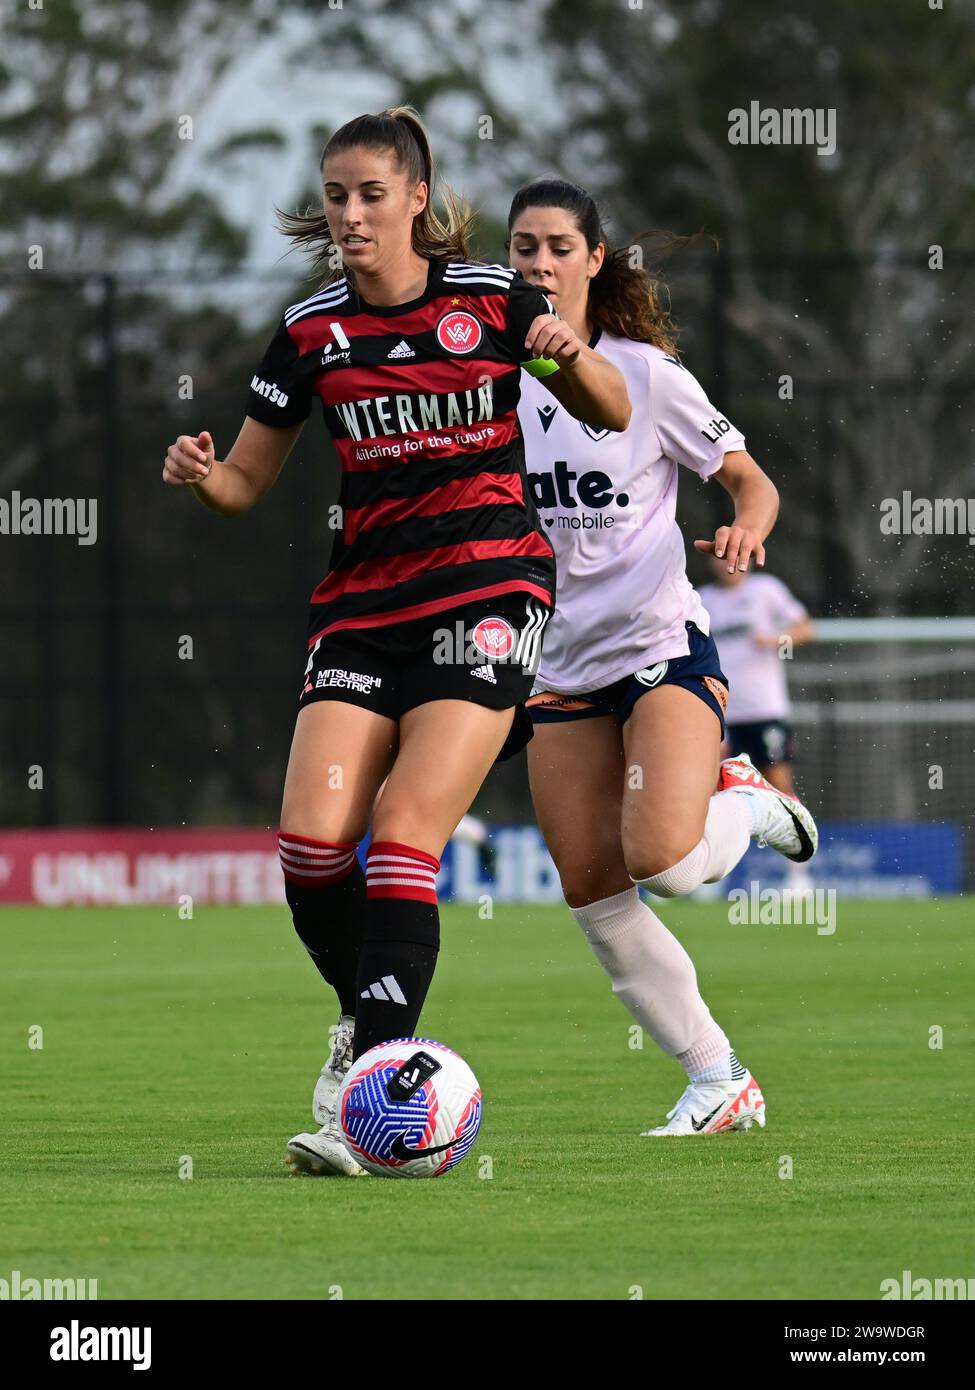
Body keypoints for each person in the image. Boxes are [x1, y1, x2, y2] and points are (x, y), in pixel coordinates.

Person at [161, 113, 630, 1176]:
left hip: (491, 591)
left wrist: (567, 349)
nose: (350, 213)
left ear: (418, 197)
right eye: (335, 194)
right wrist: (203, 473)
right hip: (365, 609)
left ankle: (370, 1094)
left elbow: (604, 412)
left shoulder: (491, 303)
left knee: (404, 827)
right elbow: (245, 483)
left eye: (371, 192)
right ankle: (363, 1021)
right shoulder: (312, 333)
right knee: (312, 844)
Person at [510, 178, 818, 1135]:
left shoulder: (647, 375)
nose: (540, 265)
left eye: (560, 246)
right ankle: (717, 1077)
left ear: (594, 260)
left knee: (668, 863)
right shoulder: (485, 378)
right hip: (559, 665)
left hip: (658, 646)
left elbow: (748, 482)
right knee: (591, 888)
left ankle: (750, 801)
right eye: (523, 248)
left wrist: (743, 531)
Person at [698, 558, 814, 812]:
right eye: (721, 557)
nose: (728, 563)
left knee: (778, 784)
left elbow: (806, 630)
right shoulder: (701, 599)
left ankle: (792, 846)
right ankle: (725, 848)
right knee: (713, 786)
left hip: (764, 708)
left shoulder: (765, 589)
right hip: (720, 712)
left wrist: (776, 640)